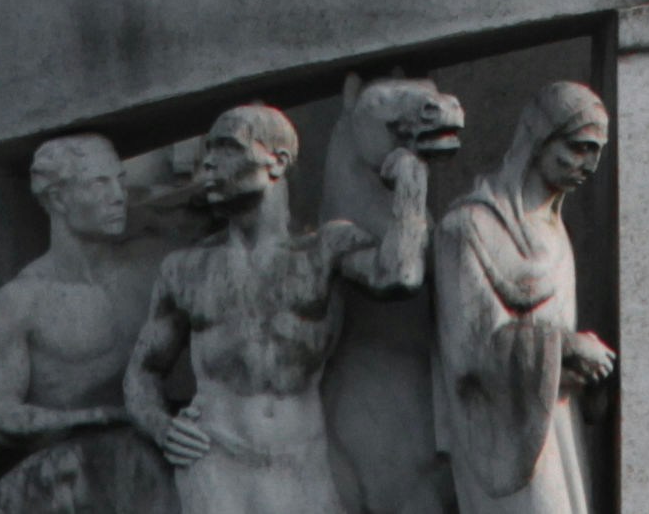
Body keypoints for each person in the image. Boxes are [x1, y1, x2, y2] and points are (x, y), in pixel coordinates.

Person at [128, 103, 445, 514]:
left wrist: (411, 185)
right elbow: (142, 370)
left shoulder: (323, 249)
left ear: (276, 162)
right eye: (209, 149)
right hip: (215, 457)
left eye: (227, 148)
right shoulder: (186, 269)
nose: (209, 161)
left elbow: (399, 276)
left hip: (300, 460)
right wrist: (162, 427)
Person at [432, 83, 618, 514]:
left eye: (597, 152)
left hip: (558, 424)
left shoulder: (556, 235)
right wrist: (566, 345)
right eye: (578, 148)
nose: (589, 165)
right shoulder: (467, 228)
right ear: (539, 138)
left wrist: (586, 370)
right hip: (500, 437)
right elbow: (469, 351)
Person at [0, 135, 178, 514]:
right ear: (58, 198)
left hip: (158, 469)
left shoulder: (157, 264)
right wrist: (100, 417)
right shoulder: (21, 301)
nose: (119, 195)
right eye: (99, 183)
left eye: (120, 179)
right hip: (67, 484)